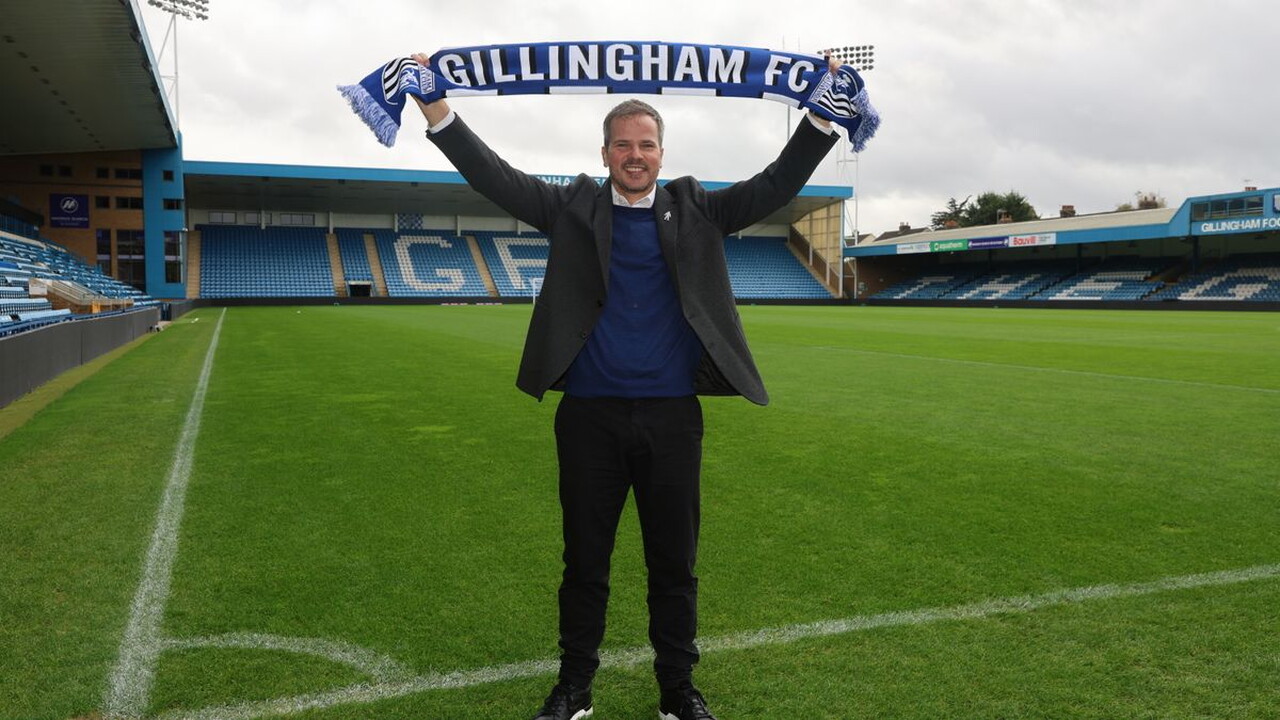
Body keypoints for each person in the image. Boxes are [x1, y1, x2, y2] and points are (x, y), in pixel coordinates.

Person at [412, 52, 840, 720]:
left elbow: (777, 183)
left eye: (646, 145)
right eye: (623, 145)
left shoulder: (698, 208)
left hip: (673, 420)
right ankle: (575, 687)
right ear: (605, 151)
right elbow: (493, 176)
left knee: (675, 565)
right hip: (589, 419)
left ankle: (677, 690)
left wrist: (821, 112)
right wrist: (435, 107)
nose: (634, 155)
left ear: (662, 153)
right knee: (584, 563)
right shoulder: (572, 206)